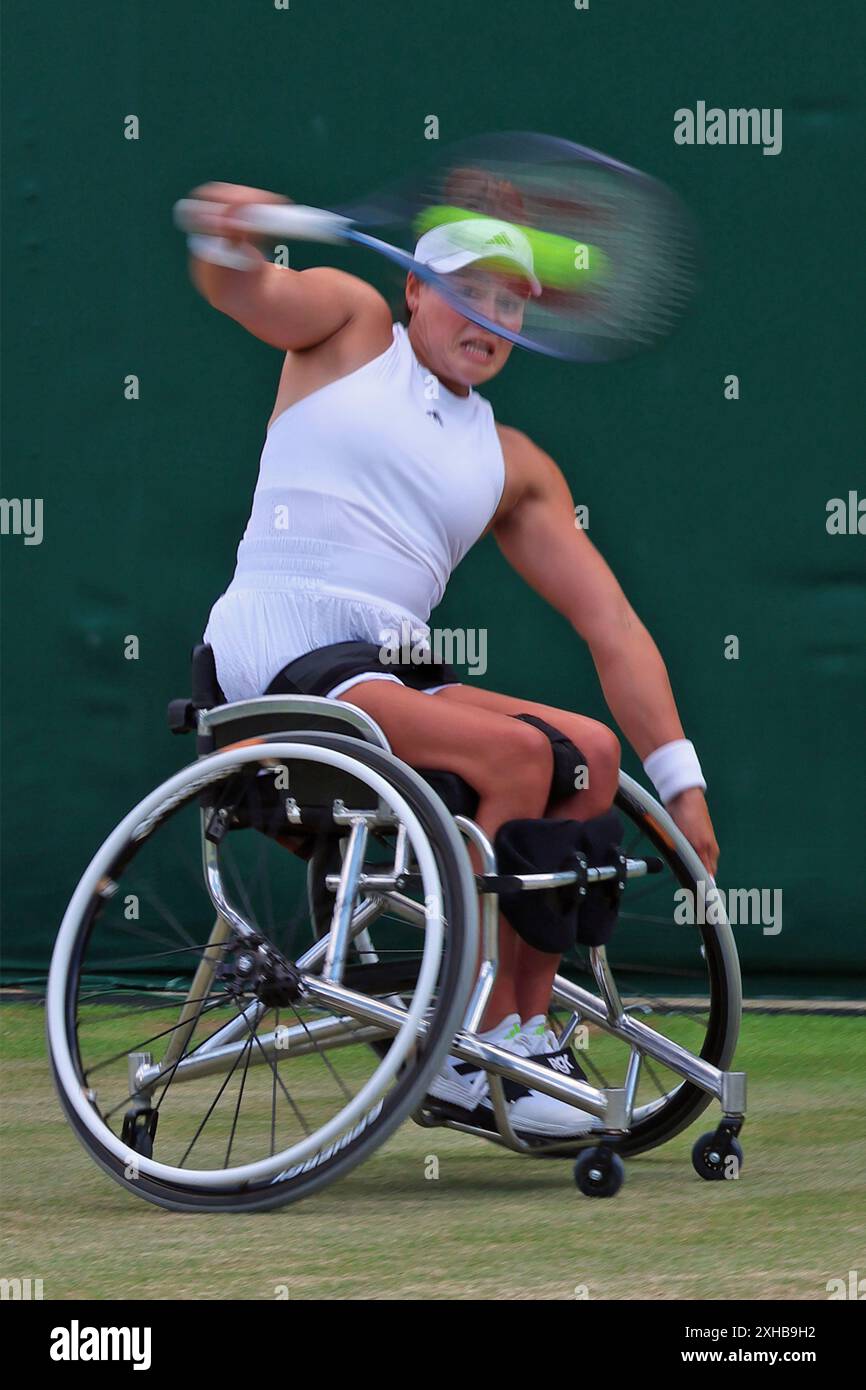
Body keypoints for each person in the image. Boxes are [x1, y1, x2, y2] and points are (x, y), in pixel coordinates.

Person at [185, 180, 719, 1139]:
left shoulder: (514, 464)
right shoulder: (350, 330)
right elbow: (245, 294)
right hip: (275, 655)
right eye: (470, 291)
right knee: (517, 758)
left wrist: (681, 787)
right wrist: (225, 240)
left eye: (511, 302)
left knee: (588, 750)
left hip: (384, 677)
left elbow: (615, 629)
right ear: (417, 295)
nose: (493, 315)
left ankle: (518, 1033)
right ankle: (457, 1041)